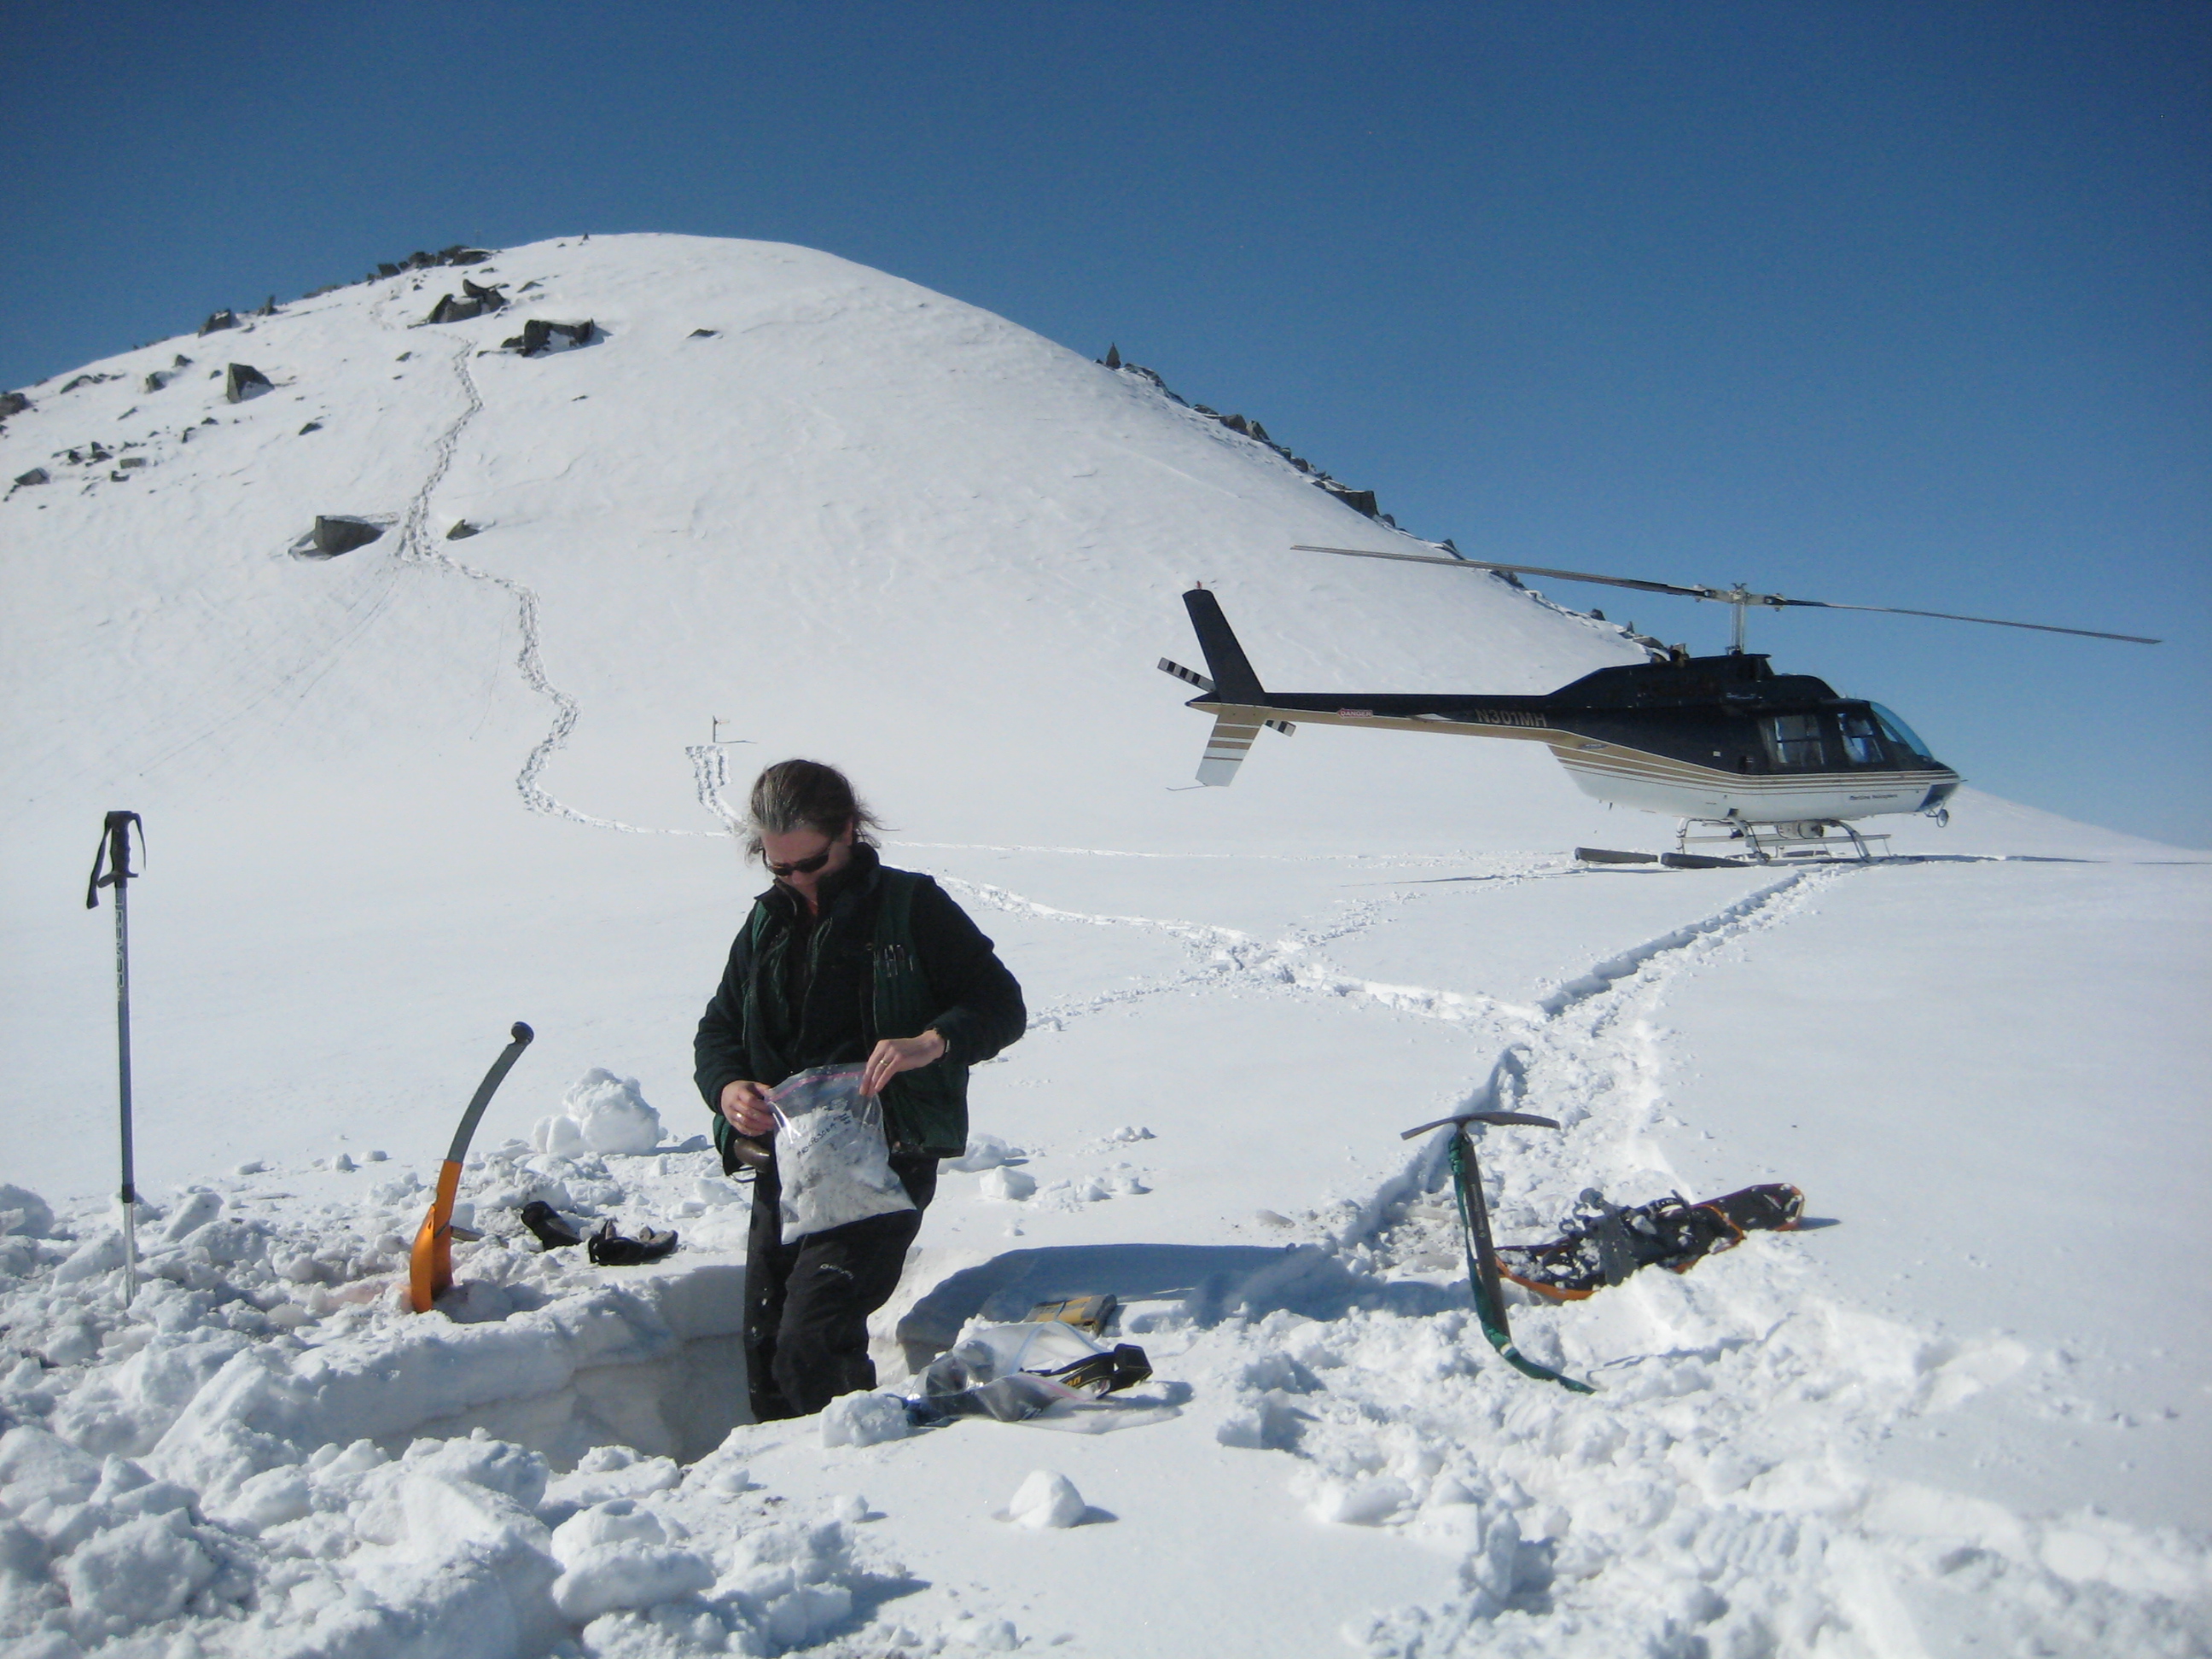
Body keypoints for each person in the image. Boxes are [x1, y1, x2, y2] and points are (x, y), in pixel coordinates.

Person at [694, 760, 1026, 1421]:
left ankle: (852, 1481)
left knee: (809, 1342)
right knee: (765, 1355)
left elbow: (1000, 1004)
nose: (796, 881)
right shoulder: (766, 925)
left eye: (810, 863)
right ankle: (786, 1499)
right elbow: (719, 1029)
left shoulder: (912, 908)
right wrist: (729, 1089)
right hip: (788, 1165)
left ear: (848, 831)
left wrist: (930, 1042)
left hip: (886, 1159)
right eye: (777, 867)